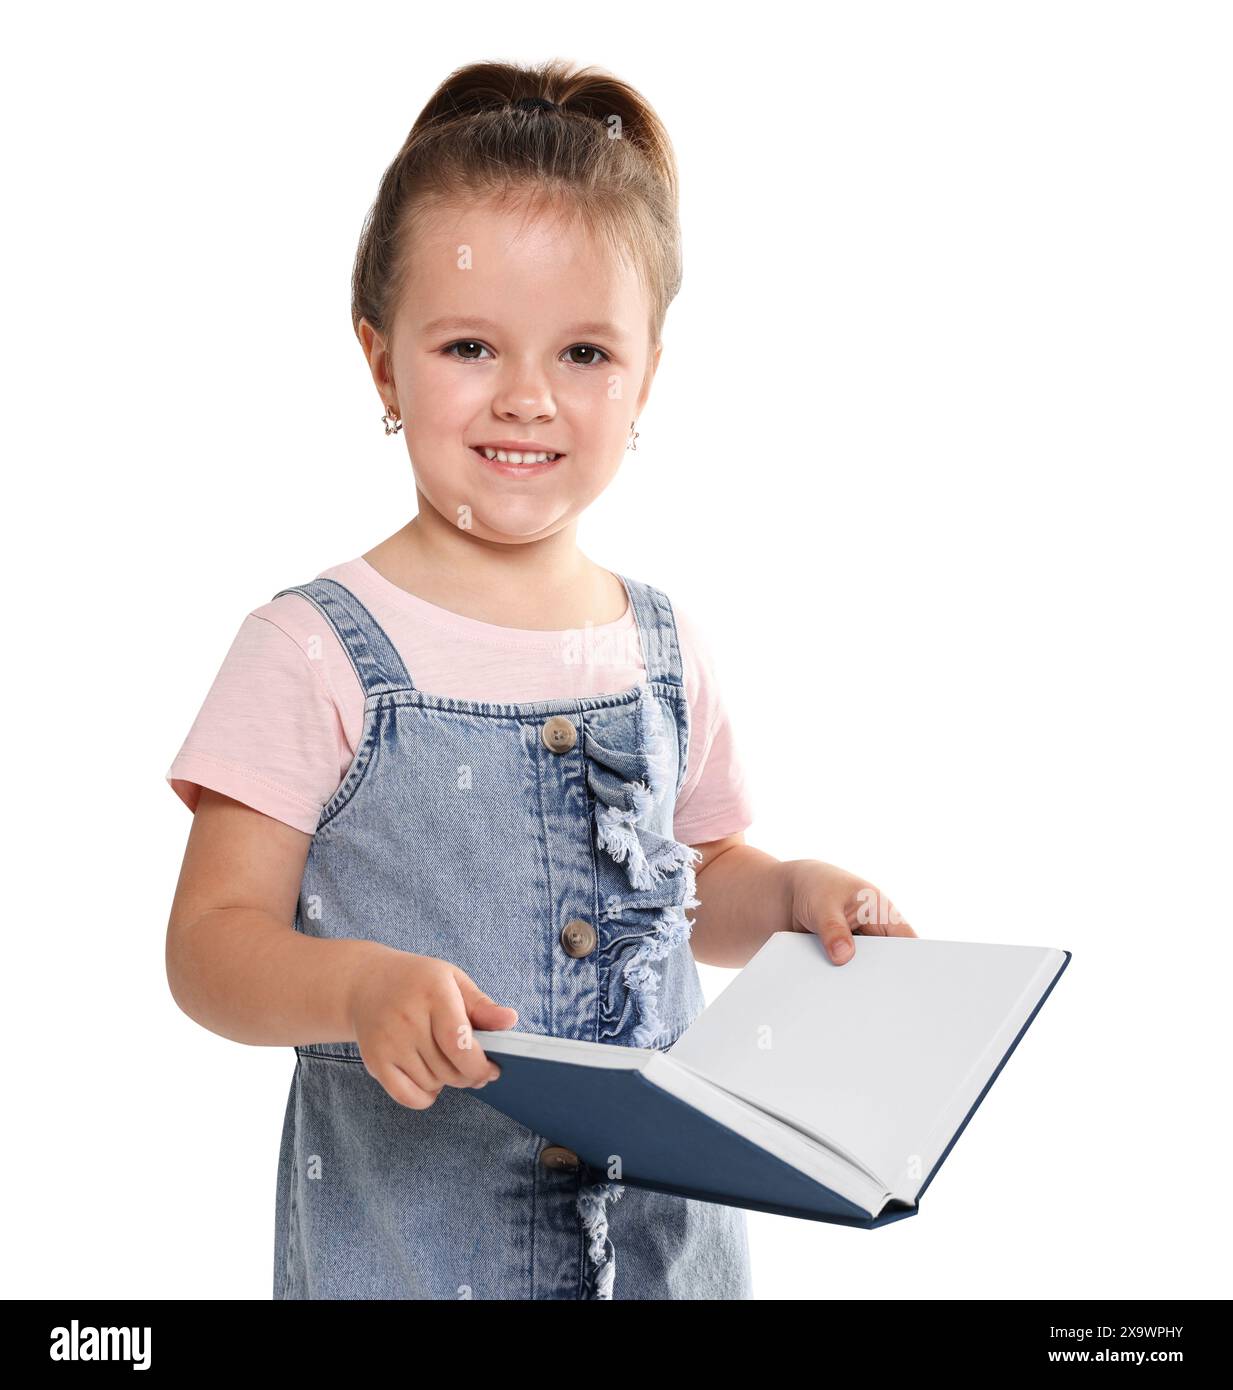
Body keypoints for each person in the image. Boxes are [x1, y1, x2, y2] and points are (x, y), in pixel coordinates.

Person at [164, 58, 916, 1301]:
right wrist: (354, 986)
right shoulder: (314, 648)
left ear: (648, 378)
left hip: (667, 1261)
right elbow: (209, 945)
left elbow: (693, 881)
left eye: (583, 352)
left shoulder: (663, 646)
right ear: (381, 363)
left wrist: (787, 893)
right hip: (409, 1258)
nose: (526, 396)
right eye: (470, 344)